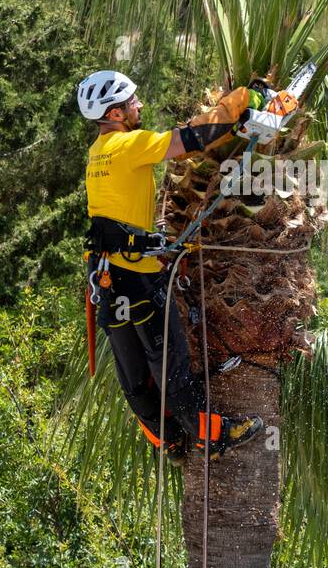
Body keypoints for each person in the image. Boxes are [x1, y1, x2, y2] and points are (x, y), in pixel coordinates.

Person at [77, 69, 265, 460]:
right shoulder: (128, 145)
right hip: (138, 282)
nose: (139, 105)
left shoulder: (96, 154)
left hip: (107, 282)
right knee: (170, 366)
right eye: (131, 102)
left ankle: (168, 440)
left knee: (134, 376)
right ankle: (209, 436)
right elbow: (193, 139)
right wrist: (245, 100)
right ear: (114, 113)